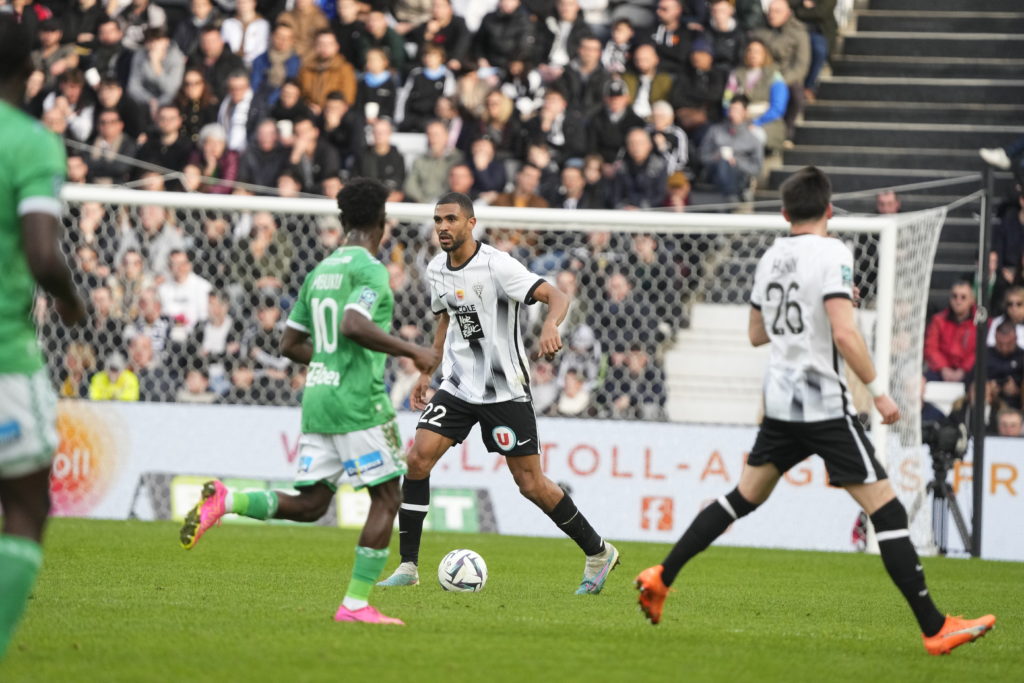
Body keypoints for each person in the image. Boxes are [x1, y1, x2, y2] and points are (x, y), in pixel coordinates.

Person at [635, 166, 996, 655]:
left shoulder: (770, 258)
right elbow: (844, 333)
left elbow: (757, 334)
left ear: (785, 213)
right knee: (887, 510)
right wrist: (879, 390)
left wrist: (808, 317)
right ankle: (934, 627)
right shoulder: (833, 252)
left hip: (781, 404)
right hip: (824, 405)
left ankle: (661, 575)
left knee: (741, 498)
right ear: (829, 209)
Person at [179, 178, 438, 626]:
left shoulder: (320, 272)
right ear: (383, 222)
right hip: (357, 401)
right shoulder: (371, 270)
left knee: (314, 503)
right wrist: (413, 351)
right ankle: (356, 603)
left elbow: (288, 342)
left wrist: (329, 359)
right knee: (387, 497)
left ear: (341, 221)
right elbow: (355, 324)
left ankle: (228, 499)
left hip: (318, 395)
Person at [376, 192, 620, 593]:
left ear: (471, 223)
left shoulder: (498, 266)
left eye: (451, 219)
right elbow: (445, 321)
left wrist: (550, 325)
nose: (443, 227)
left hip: (505, 391)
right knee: (417, 460)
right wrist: (427, 371)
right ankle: (408, 566)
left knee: (531, 485)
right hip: (457, 386)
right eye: (438, 220)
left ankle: (597, 552)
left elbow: (557, 295)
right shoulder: (437, 269)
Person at [0, 15, 87, 660]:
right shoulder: (32, 143)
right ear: (31, 71)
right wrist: (70, 302)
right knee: (26, 506)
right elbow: (41, 253)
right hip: (4, 356)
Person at [923, 281, 976, 382]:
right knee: (917, 383)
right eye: (954, 296)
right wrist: (944, 368)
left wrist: (963, 370)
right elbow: (930, 348)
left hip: (969, 372)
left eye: (963, 297)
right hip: (940, 370)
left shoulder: (979, 323)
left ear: (971, 300)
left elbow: (978, 352)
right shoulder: (938, 320)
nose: (958, 300)